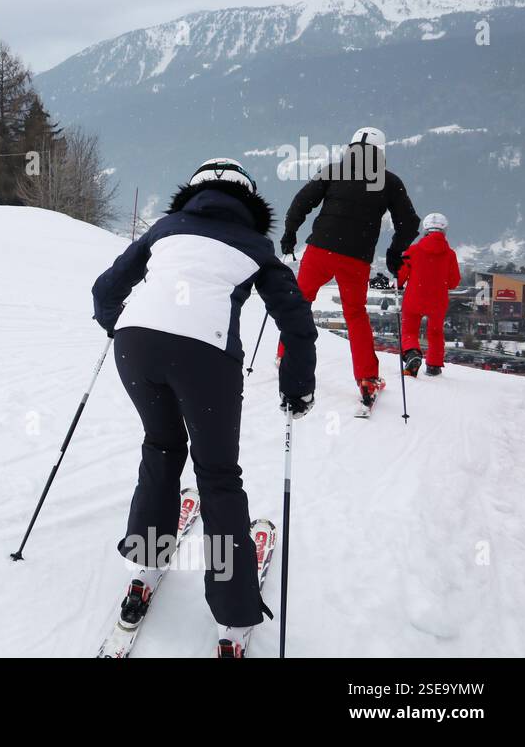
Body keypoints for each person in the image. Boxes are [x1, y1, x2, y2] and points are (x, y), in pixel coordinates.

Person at [92, 158, 318, 658]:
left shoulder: (165, 228)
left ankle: (146, 565)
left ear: (191, 193)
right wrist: (297, 385)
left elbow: (106, 289)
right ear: (249, 202)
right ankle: (234, 618)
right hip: (205, 355)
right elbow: (295, 318)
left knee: (162, 445)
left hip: (137, 345)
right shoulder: (255, 244)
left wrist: (115, 324)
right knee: (217, 477)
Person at [278, 127, 420, 410]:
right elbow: (410, 223)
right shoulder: (389, 182)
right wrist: (394, 253)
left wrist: (290, 234)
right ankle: (367, 379)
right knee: (355, 315)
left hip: (319, 250)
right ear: (380, 153)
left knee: (300, 302)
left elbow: (301, 201)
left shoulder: (333, 171)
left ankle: (285, 355)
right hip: (355, 259)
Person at [397, 213, 460, 377]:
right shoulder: (450, 255)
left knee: (409, 331)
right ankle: (434, 366)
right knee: (436, 333)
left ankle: (412, 354)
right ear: (444, 230)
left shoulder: (413, 250)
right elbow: (454, 282)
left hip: (414, 298)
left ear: (425, 230)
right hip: (437, 301)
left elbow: (401, 274)